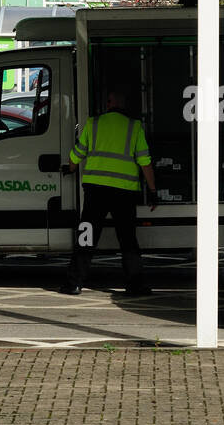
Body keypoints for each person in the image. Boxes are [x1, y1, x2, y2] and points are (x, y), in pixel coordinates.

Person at [61, 90, 157, 297]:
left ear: (109, 104)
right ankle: (135, 285)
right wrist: (153, 190)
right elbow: (145, 163)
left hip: (95, 191)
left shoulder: (93, 124)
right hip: (125, 193)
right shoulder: (134, 127)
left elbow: (75, 158)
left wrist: (69, 169)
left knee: (86, 236)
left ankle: (74, 283)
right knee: (128, 240)